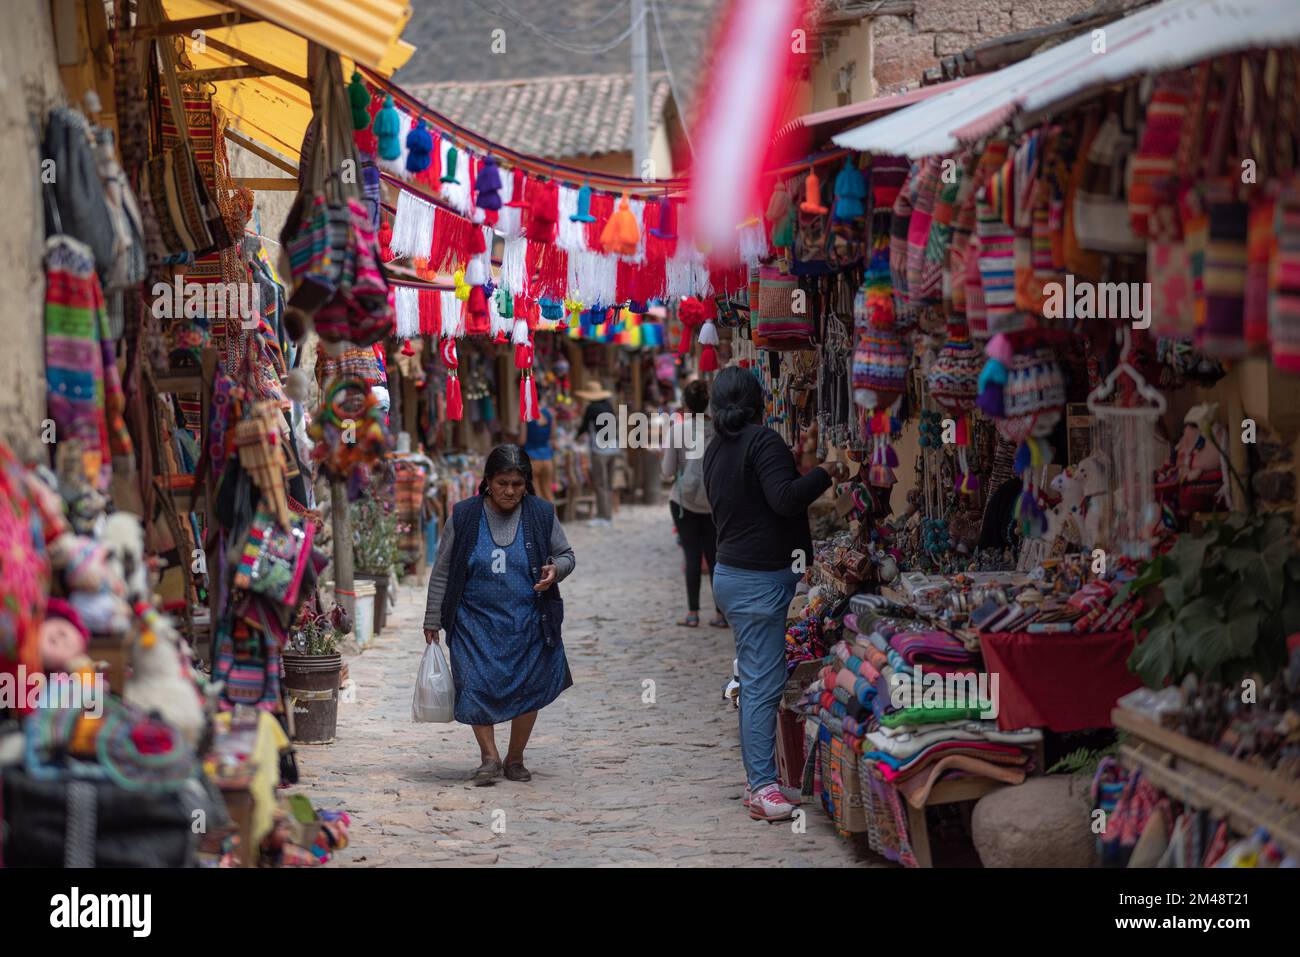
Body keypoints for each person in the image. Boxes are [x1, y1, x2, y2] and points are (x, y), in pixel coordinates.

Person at [702, 366, 849, 822]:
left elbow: (756, 497)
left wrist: (796, 461)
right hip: (758, 580)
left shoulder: (716, 449)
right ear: (756, 400)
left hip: (735, 573)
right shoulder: (761, 441)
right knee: (762, 687)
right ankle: (762, 787)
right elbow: (784, 498)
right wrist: (826, 471)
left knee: (756, 680)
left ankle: (758, 782)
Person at [423, 445, 575, 785]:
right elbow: (443, 570)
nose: (510, 491)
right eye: (503, 483)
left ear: (527, 485)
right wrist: (433, 618)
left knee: (529, 686)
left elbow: (566, 554)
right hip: (473, 622)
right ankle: (489, 757)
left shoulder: (541, 514)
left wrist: (556, 570)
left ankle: (515, 758)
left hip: (528, 620)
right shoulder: (463, 516)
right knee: (474, 684)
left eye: (517, 484)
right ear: (487, 481)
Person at [661, 379, 725, 628]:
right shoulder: (720, 430)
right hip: (713, 502)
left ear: (685, 405)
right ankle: (721, 614)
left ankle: (692, 613)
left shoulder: (678, 431)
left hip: (684, 501)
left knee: (691, 555)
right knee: (715, 556)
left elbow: (667, 471)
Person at [574, 381, 619, 526]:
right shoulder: (608, 406)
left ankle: (603, 517)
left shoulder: (591, 408)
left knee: (600, 484)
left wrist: (576, 437)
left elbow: (584, 427)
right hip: (613, 448)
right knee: (608, 484)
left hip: (599, 450)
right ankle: (608, 515)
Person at [518, 394, 556, 502]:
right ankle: (553, 518)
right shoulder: (549, 414)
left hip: (532, 458)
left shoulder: (525, 414)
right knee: (548, 494)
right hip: (547, 458)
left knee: (536, 496)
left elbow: (522, 440)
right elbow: (553, 437)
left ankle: (540, 519)